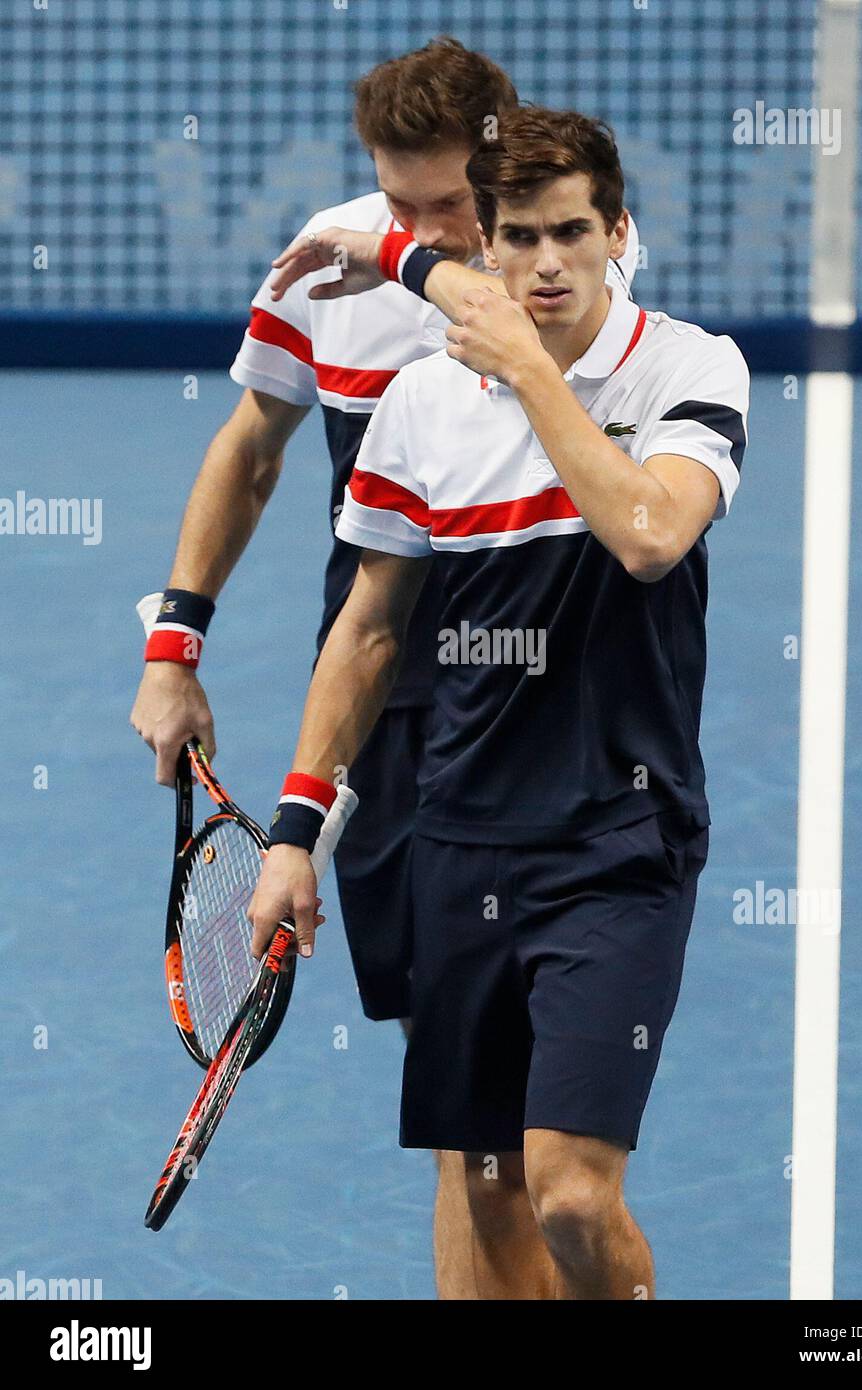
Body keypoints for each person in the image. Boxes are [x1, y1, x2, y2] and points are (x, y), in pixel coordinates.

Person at [129, 37, 638, 1300]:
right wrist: (174, 644)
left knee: (550, 1152)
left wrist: (414, 257)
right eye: (394, 200)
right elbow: (251, 445)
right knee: (468, 1127)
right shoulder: (335, 254)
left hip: (556, 718)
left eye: (446, 203)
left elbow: (477, 308)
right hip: (394, 715)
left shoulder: (560, 262)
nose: (409, 226)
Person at [248, 105, 749, 1299]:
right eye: (517, 236)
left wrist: (529, 376)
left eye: (572, 231)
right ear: (491, 246)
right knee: (485, 1182)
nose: (546, 262)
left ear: (619, 231)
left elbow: (648, 535)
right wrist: (294, 829)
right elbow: (368, 631)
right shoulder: (421, 405)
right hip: (460, 832)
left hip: (619, 840)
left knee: (572, 1191)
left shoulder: (690, 365)